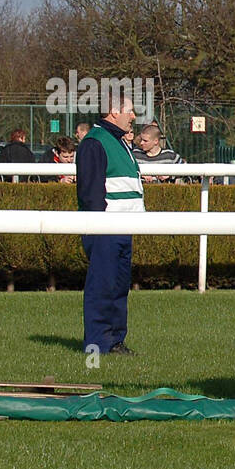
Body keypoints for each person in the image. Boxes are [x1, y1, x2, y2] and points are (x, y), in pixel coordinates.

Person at [76, 100, 143, 356]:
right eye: (130, 111)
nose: (134, 116)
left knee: (118, 286)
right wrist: (97, 227)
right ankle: (98, 344)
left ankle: (115, 341)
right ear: (113, 111)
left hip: (121, 228)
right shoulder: (95, 142)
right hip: (105, 229)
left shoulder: (116, 140)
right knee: (103, 287)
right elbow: (90, 193)